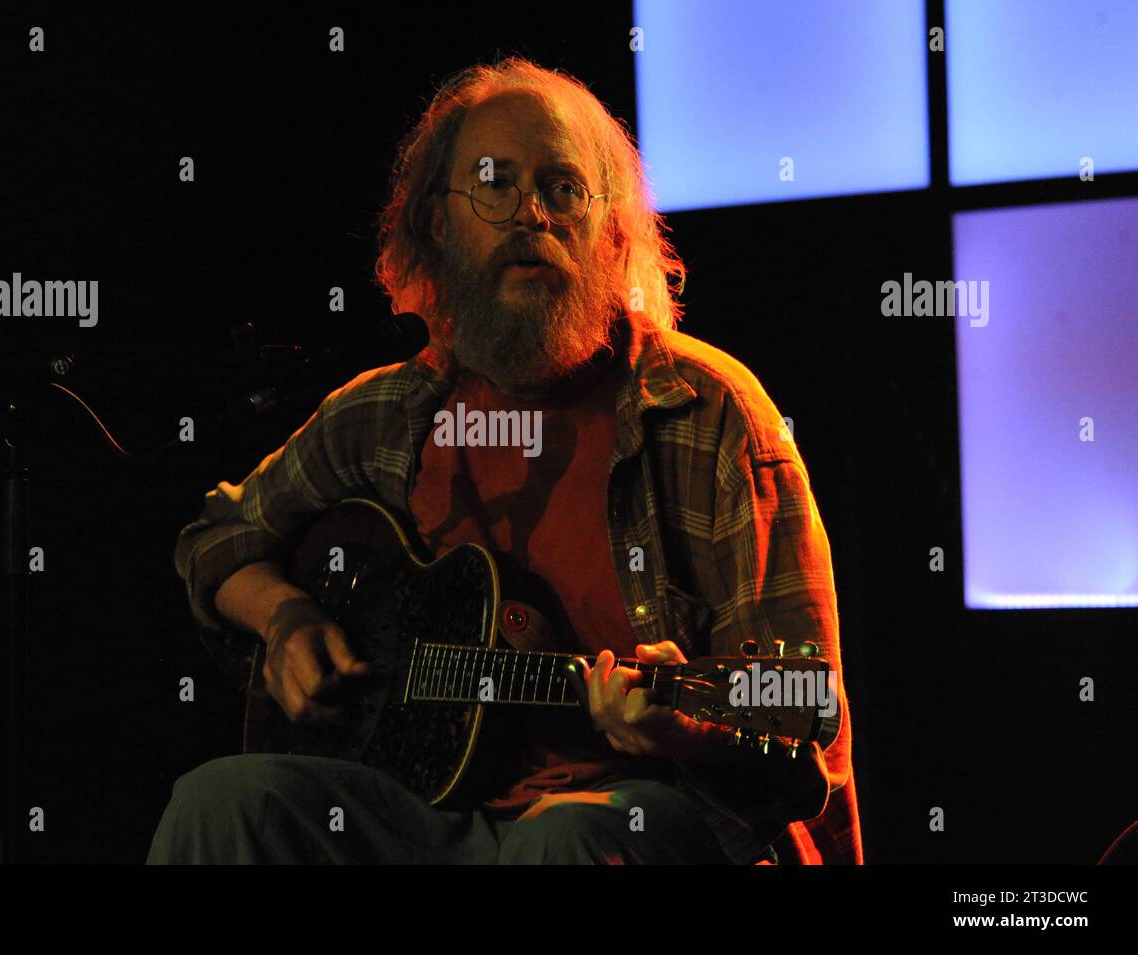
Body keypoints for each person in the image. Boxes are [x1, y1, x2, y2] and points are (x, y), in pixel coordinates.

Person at [147, 56, 861, 865]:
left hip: (645, 825)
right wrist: (286, 616)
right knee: (218, 804)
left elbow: (806, 697)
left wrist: (683, 718)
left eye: (563, 189)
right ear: (439, 225)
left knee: (563, 839)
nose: (530, 214)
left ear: (613, 232)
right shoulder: (389, 413)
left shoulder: (709, 413)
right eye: (494, 183)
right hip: (430, 819)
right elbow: (217, 538)